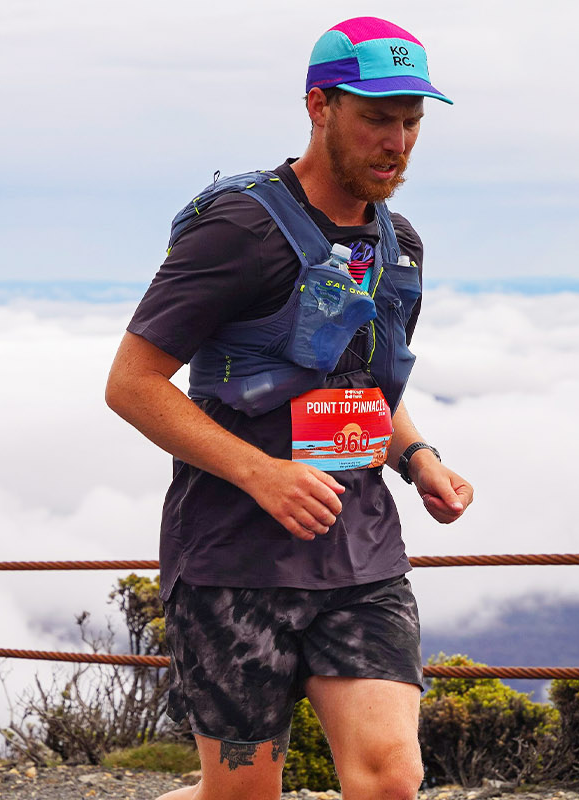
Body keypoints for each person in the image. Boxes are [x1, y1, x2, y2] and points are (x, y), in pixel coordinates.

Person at [105, 16, 473, 800]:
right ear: (319, 106)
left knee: (390, 781)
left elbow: (363, 384)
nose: (397, 143)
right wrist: (264, 475)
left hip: (360, 553)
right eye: (377, 117)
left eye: (411, 122)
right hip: (233, 559)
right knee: (239, 795)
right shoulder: (237, 229)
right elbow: (132, 383)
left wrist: (417, 458)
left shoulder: (397, 244)